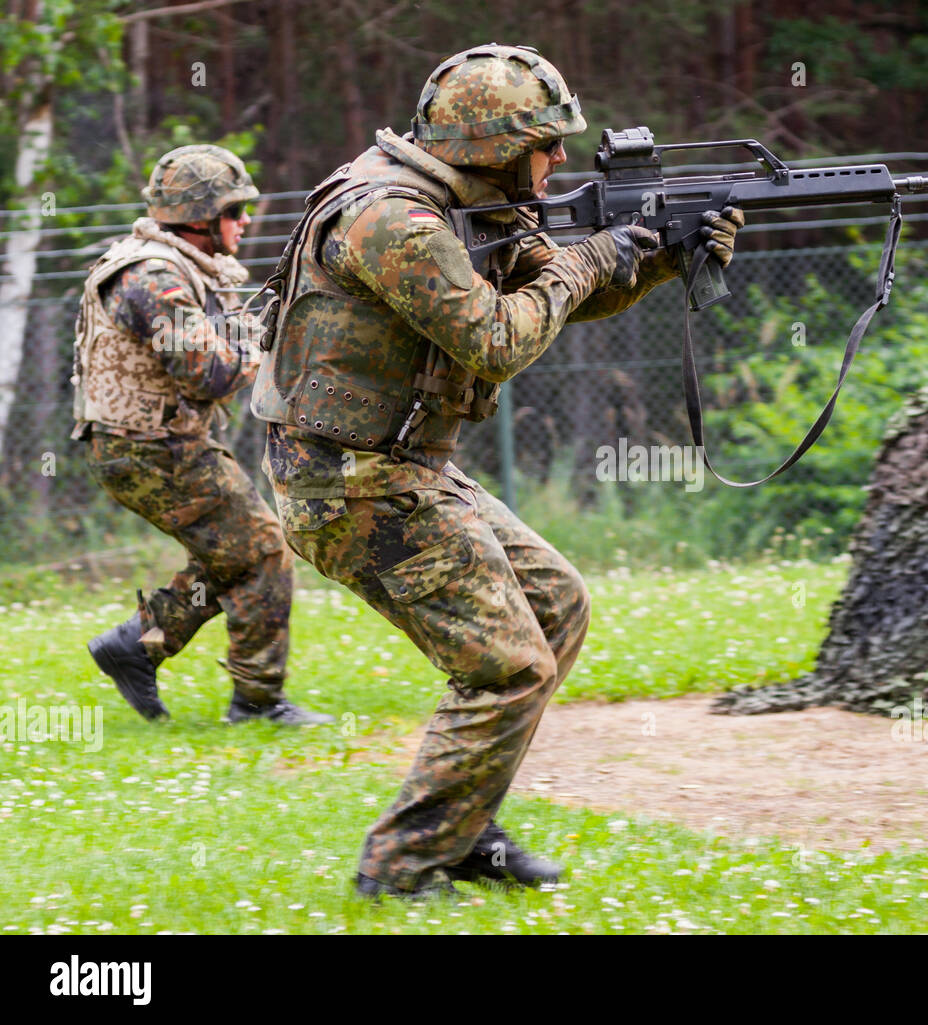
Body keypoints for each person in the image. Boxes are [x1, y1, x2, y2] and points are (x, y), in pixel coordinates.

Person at [251, 43, 743, 897]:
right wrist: (596, 255)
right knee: (507, 665)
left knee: (556, 606)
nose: (558, 161)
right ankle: (400, 868)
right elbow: (498, 338)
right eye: (545, 145)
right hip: (348, 484)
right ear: (490, 143)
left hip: (402, 469)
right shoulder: (393, 220)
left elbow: (558, 293)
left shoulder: (469, 199)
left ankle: (463, 828)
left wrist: (664, 256)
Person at [78, 144, 332, 727]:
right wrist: (264, 338)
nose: (245, 222)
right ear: (200, 215)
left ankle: (134, 647)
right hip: (147, 449)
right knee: (264, 552)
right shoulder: (154, 278)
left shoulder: (176, 266)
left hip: (151, 445)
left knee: (233, 557)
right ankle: (258, 703)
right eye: (235, 211)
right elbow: (210, 372)